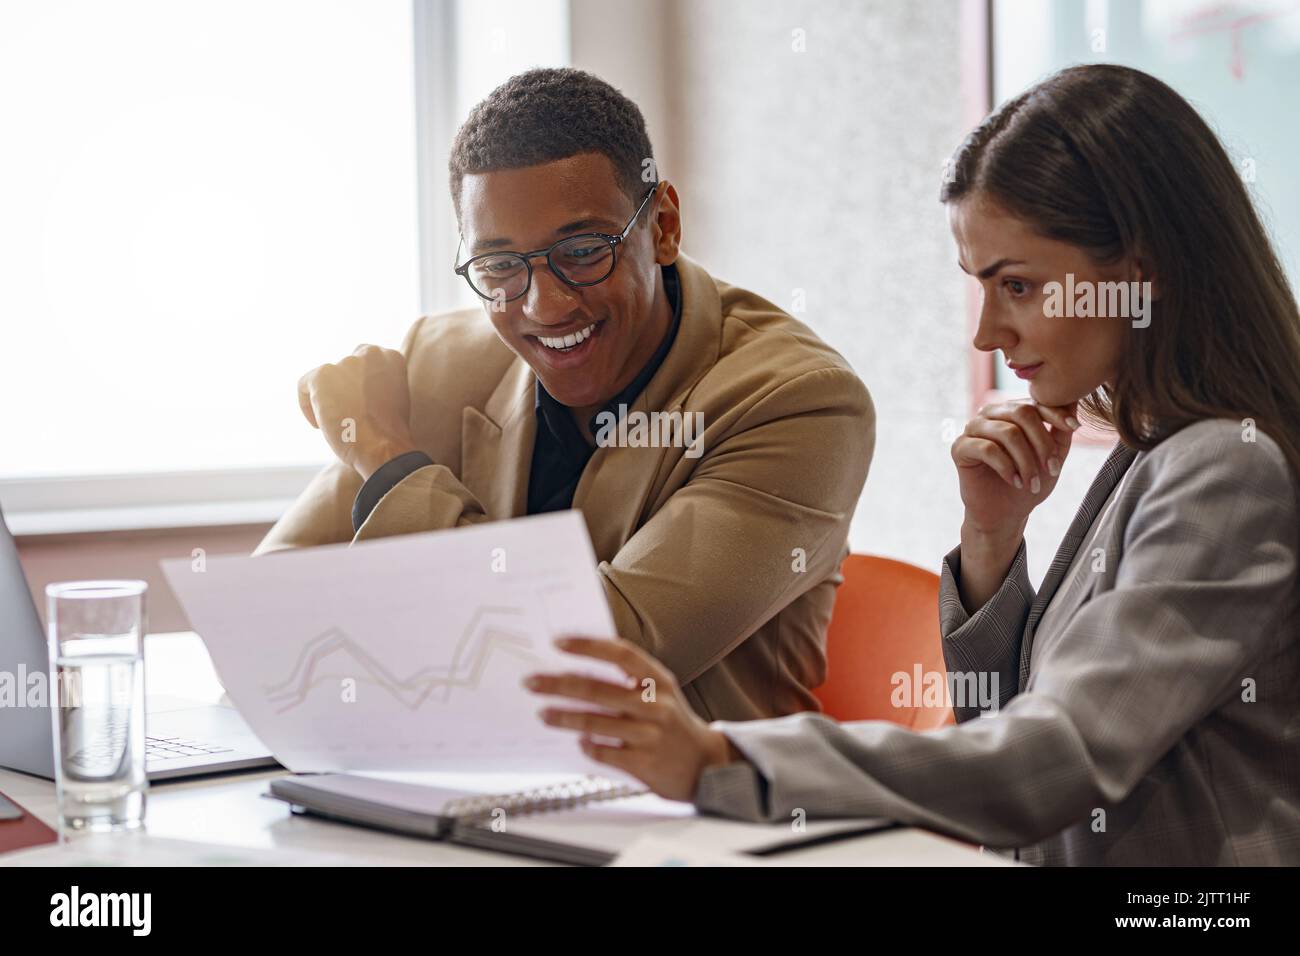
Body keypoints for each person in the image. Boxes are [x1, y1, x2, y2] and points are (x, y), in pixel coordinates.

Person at [525, 64, 1300, 865]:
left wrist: (726, 762)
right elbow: (1008, 724)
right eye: (982, 289)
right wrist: (992, 537)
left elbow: (1055, 764)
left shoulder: (1224, 469)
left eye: (1020, 286)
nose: (988, 333)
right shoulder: (1163, 452)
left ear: (1140, 273)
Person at [254, 67, 875, 722]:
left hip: (690, 813)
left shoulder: (800, 402)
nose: (543, 305)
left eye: (582, 250)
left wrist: (390, 464)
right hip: (436, 780)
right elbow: (269, 605)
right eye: (498, 265)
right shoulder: (437, 361)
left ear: (663, 225)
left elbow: (601, 661)